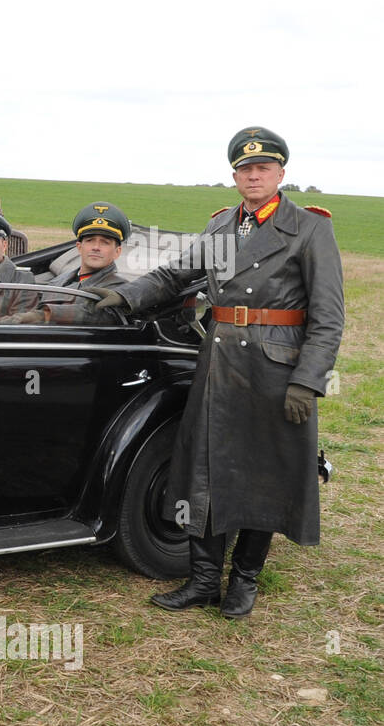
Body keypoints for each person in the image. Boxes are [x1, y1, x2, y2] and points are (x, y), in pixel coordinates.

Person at [91, 126, 344, 618]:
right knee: (205, 467)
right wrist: (126, 296)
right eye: (245, 169)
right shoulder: (221, 228)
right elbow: (174, 275)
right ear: (234, 176)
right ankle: (204, 580)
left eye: (263, 168)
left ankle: (245, 580)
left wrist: (308, 380)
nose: (254, 176)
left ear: (280, 174)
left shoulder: (310, 229)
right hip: (220, 362)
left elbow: (329, 315)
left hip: (275, 369)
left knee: (263, 475)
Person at [0, 202, 130, 325]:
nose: (96, 247)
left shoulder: (120, 289)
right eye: (90, 240)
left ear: (117, 252)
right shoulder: (58, 280)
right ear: (79, 247)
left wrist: (43, 315)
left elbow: (101, 316)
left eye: (105, 242)